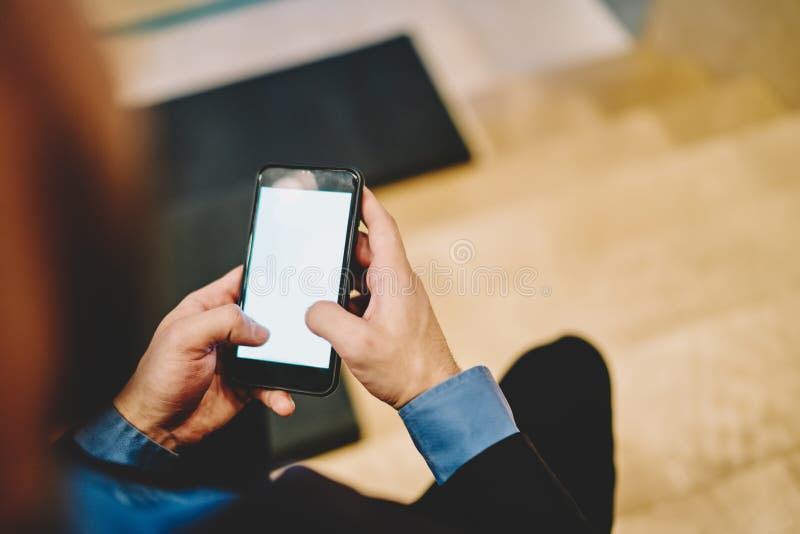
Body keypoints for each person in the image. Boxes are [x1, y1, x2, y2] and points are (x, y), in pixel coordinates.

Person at [0, 1, 614, 532]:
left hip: (128, 469)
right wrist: (425, 379)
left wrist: (131, 425)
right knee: (567, 371)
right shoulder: (307, 517)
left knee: (233, 419)